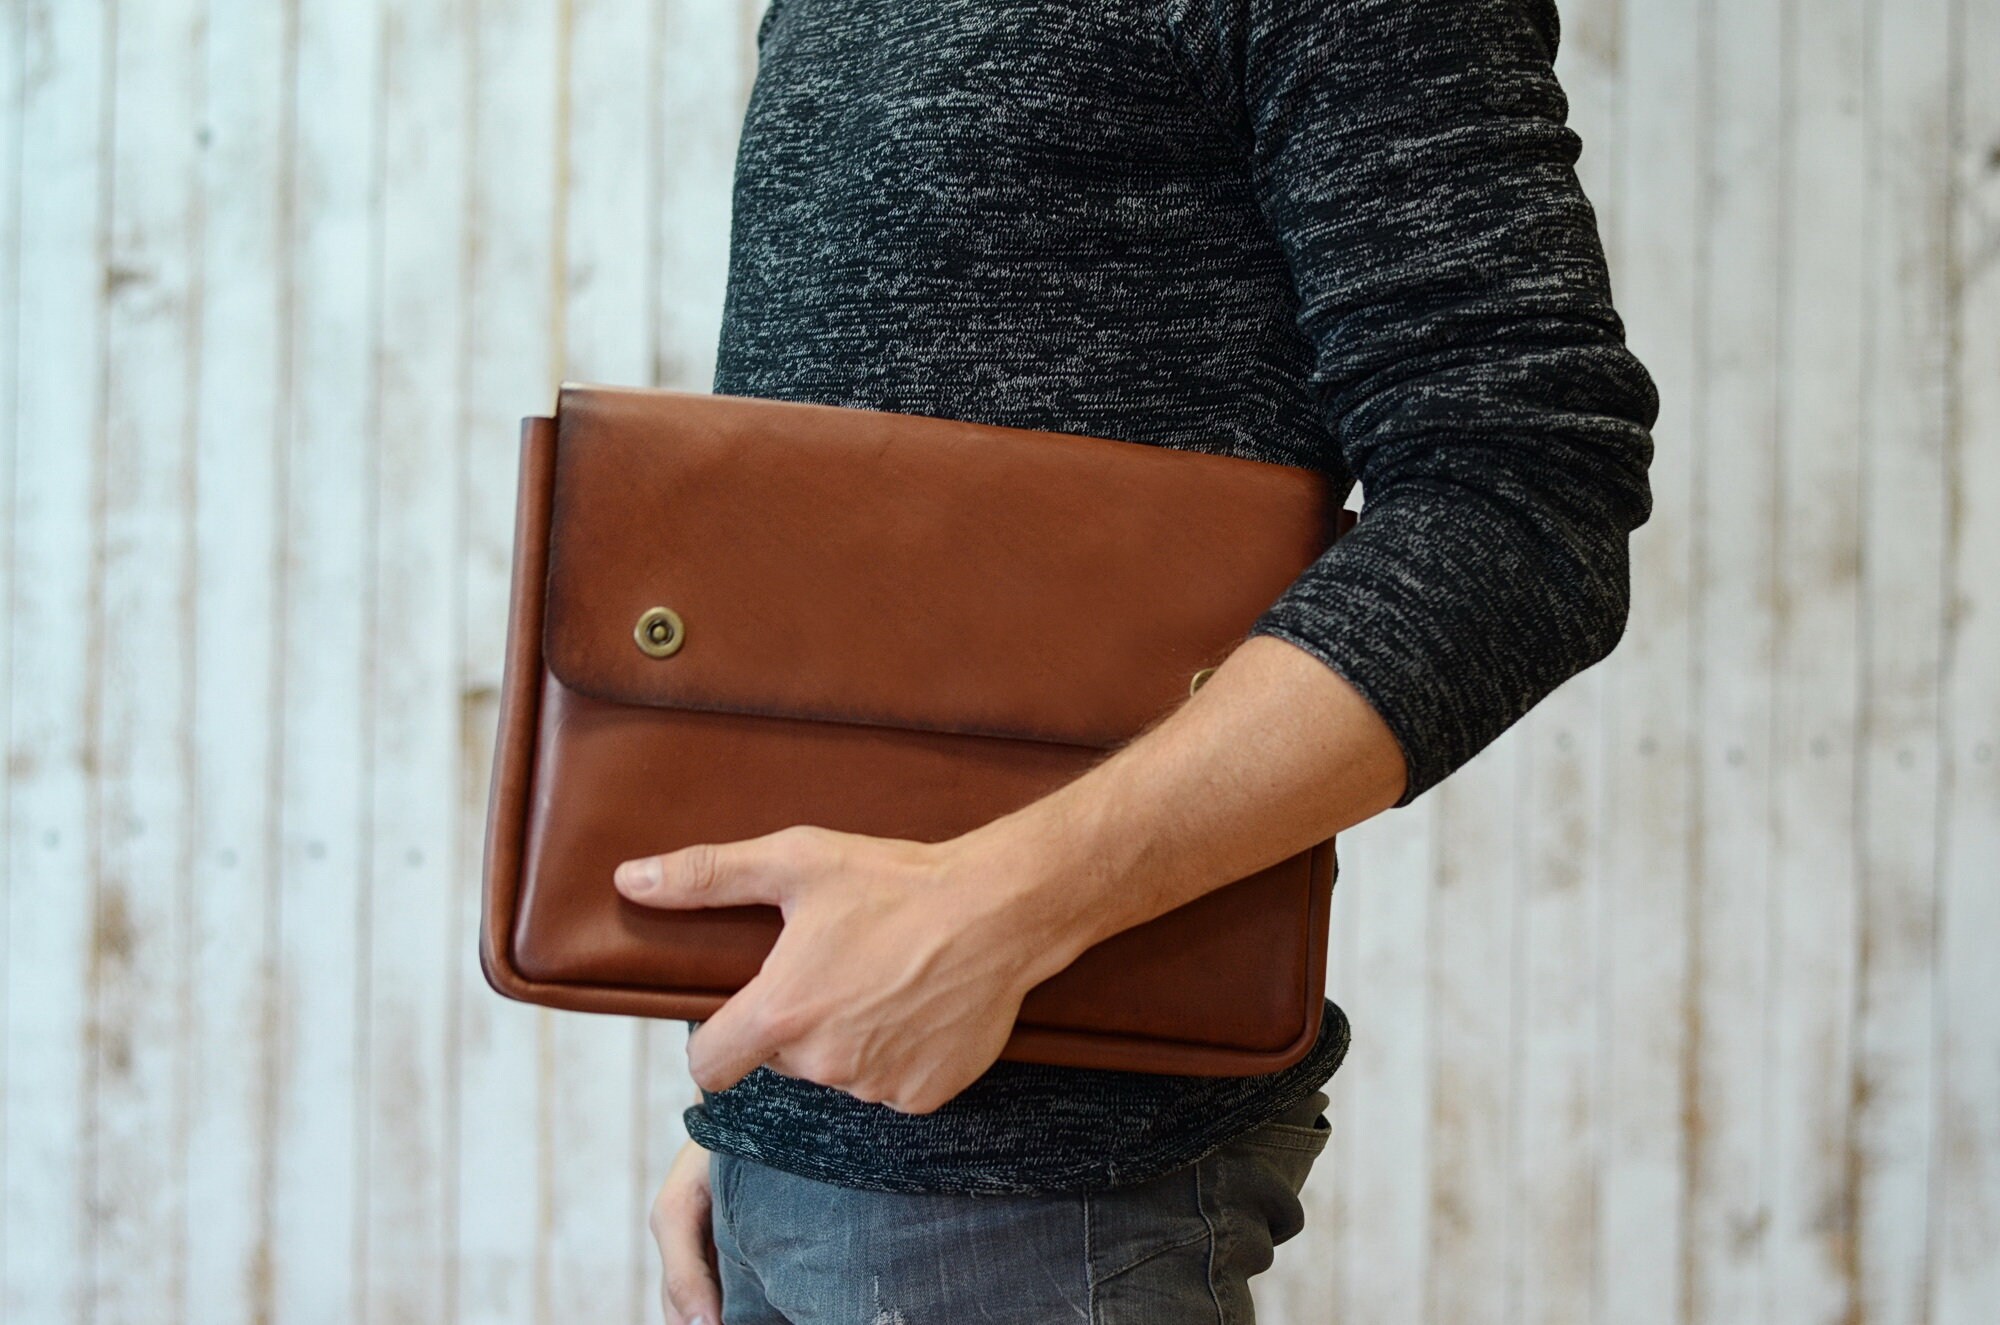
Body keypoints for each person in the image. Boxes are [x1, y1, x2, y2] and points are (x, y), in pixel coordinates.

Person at [613, 0, 1658, 1320]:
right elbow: (846, 541)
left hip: (1049, 1201)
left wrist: (994, 912)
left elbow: (1527, 491)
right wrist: (753, 1090)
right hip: (800, 1148)